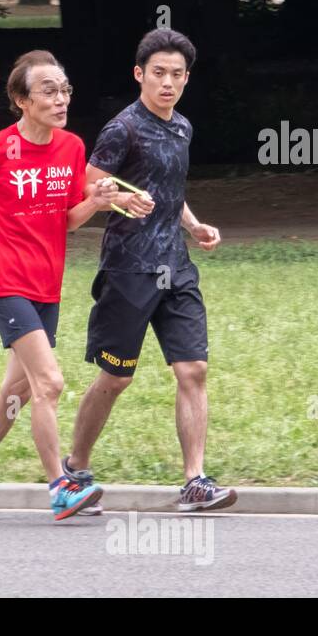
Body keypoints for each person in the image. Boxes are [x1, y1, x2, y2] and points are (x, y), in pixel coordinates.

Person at [0, 50, 119, 522]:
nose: (61, 100)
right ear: (21, 99)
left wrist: (97, 203)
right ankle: (59, 486)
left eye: (65, 90)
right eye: (49, 91)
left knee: (16, 393)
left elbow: (68, 220)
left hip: (47, 285)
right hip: (7, 282)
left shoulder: (72, 147)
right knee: (50, 383)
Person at [66, 29, 237, 512]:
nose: (168, 83)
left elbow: (171, 191)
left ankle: (195, 481)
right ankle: (75, 468)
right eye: (158, 73)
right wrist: (120, 198)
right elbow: (89, 186)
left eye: (177, 75)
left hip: (175, 267)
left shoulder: (182, 126)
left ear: (187, 78)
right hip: (129, 269)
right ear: (140, 74)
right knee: (116, 378)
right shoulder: (123, 128)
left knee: (193, 369)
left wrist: (195, 226)